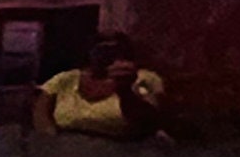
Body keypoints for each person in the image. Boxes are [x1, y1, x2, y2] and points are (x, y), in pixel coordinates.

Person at [36, 32, 165, 140]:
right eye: (102, 51)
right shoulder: (66, 79)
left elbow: (149, 125)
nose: (108, 56)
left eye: (116, 51)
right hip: (69, 148)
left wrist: (125, 91)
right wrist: (51, 142)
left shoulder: (142, 78)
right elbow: (40, 113)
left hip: (124, 150)